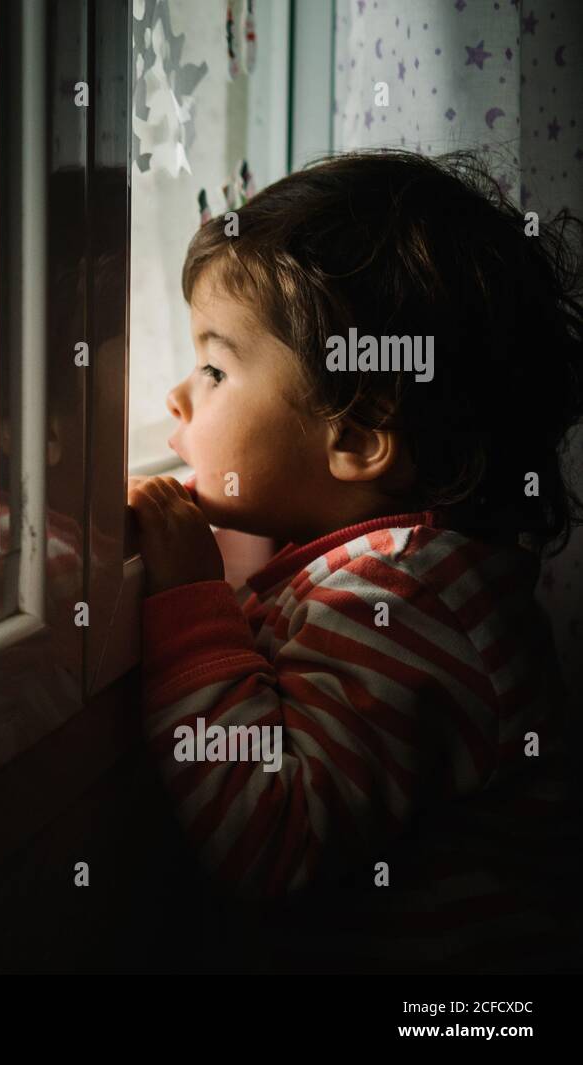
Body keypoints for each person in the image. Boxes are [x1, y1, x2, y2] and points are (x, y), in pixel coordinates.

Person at [127, 149, 583, 972]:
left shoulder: (403, 594)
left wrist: (193, 600)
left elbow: (266, 834)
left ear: (359, 436)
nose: (177, 395)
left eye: (215, 366)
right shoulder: (403, 569)